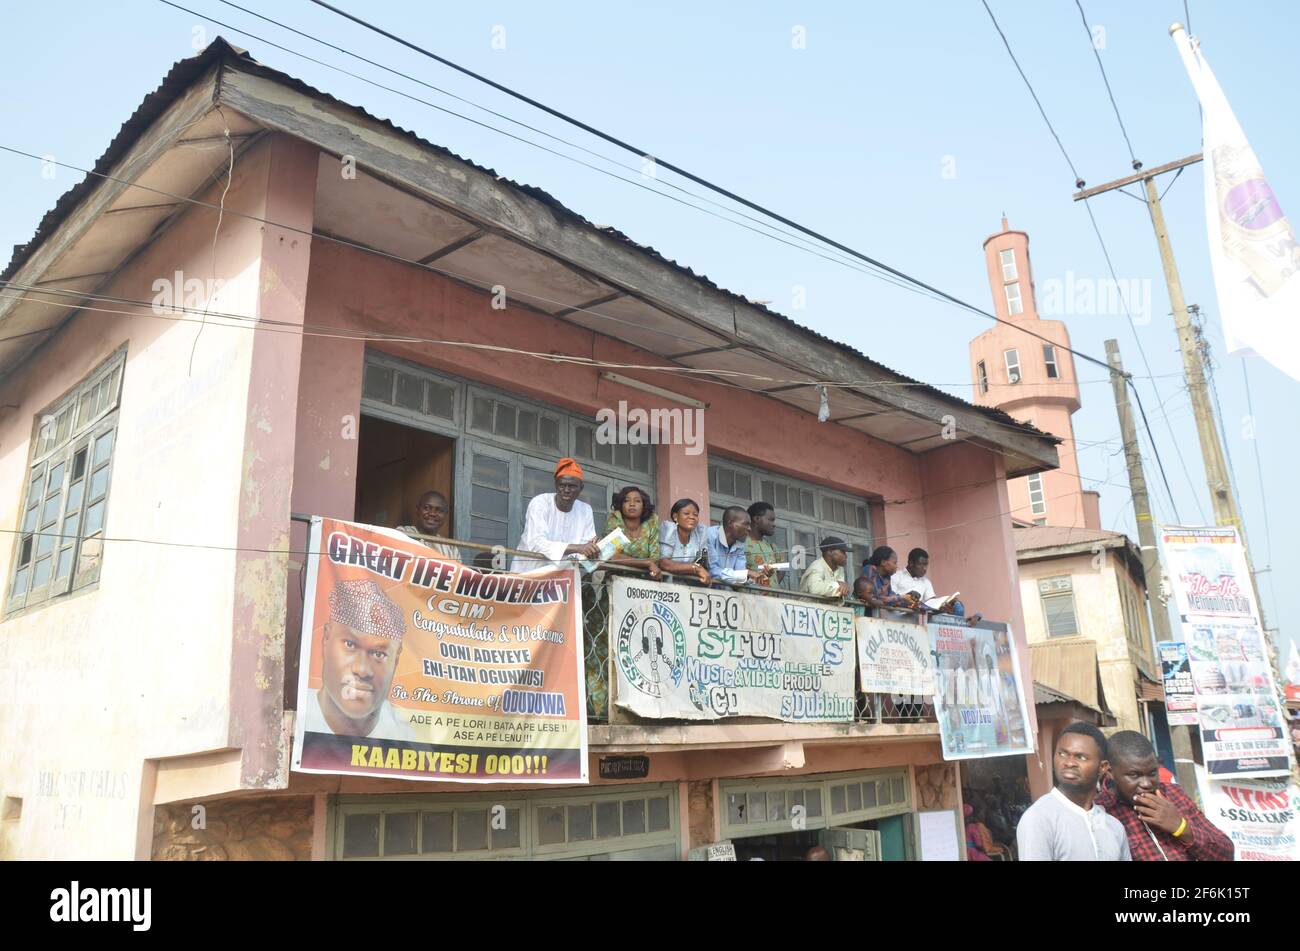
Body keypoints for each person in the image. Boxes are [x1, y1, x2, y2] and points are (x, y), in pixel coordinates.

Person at [303, 578, 416, 741]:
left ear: (396, 659)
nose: (362, 669)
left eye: (378, 654)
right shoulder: (299, 717)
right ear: (326, 637)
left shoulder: (405, 739)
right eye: (350, 644)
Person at [1096, 731, 1234, 861]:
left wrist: (1181, 828)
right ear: (1109, 771)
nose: (1146, 784)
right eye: (1134, 775)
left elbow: (1226, 853)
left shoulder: (1173, 794)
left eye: (1152, 773)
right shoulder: (1101, 812)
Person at [1016, 722, 1130, 861]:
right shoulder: (1039, 818)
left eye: (1081, 757)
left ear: (1103, 767)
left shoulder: (1114, 826)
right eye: (1063, 754)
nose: (1069, 763)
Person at [513, 458, 600, 572]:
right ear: (556, 485)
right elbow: (537, 543)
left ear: (581, 488)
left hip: (563, 579)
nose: (566, 490)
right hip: (529, 573)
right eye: (562, 485)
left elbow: (586, 548)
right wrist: (580, 548)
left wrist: (593, 548)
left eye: (572, 486)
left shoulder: (585, 510)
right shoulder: (540, 503)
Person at [604, 485, 661, 579]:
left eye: (637, 501)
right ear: (621, 505)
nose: (632, 504)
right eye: (626, 501)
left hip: (641, 582)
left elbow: (655, 559)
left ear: (644, 506)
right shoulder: (615, 519)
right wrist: (646, 563)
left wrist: (650, 563)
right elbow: (612, 556)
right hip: (614, 579)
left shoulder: (651, 523)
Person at [706, 506, 766, 584]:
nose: (749, 529)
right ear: (730, 523)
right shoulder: (710, 535)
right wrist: (746, 574)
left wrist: (757, 576)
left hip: (725, 593)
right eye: (746, 524)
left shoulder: (739, 544)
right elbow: (712, 571)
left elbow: (739, 575)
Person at [397, 490, 461, 561]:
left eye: (439, 510)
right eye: (427, 508)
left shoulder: (451, 549)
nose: (432, 513)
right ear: (417, 510)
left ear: (445, 515)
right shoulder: (401, 534)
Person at [658, 498, 711, 584]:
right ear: (675, 517)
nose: (692, 517)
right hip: (665, 583)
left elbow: (702, 564)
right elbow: (664, 563)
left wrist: (697, 568)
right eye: (686, 513)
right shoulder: (669, 529)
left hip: (689, 583)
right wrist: (695, 568)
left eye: (695, 515)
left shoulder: (700, 532)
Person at [858, 546, 921, 612]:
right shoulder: (870, 570)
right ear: (883, 562)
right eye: (894, 563)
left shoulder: (887, 577)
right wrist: (901, 597)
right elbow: (874, 598)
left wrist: (909, 601)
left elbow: (890, 598)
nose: (897, 566)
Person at [891, 548, 955, 612]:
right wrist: (906, 597)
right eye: (921, 564)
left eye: (926, 565)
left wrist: (942, 605)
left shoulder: (926, 582)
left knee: (957, 606)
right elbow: (890, 598)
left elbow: (932, 602)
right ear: (911, 563)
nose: (924, 568)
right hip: (896, 617)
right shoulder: (896, 576)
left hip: (917, 619)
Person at [744, 501, 780, 587]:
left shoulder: (772, 546)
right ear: (756, 519)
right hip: (748, 598)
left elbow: (781, 571)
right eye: (770, 520)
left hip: (774, 599)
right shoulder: (740, 544)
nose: (774, 524)